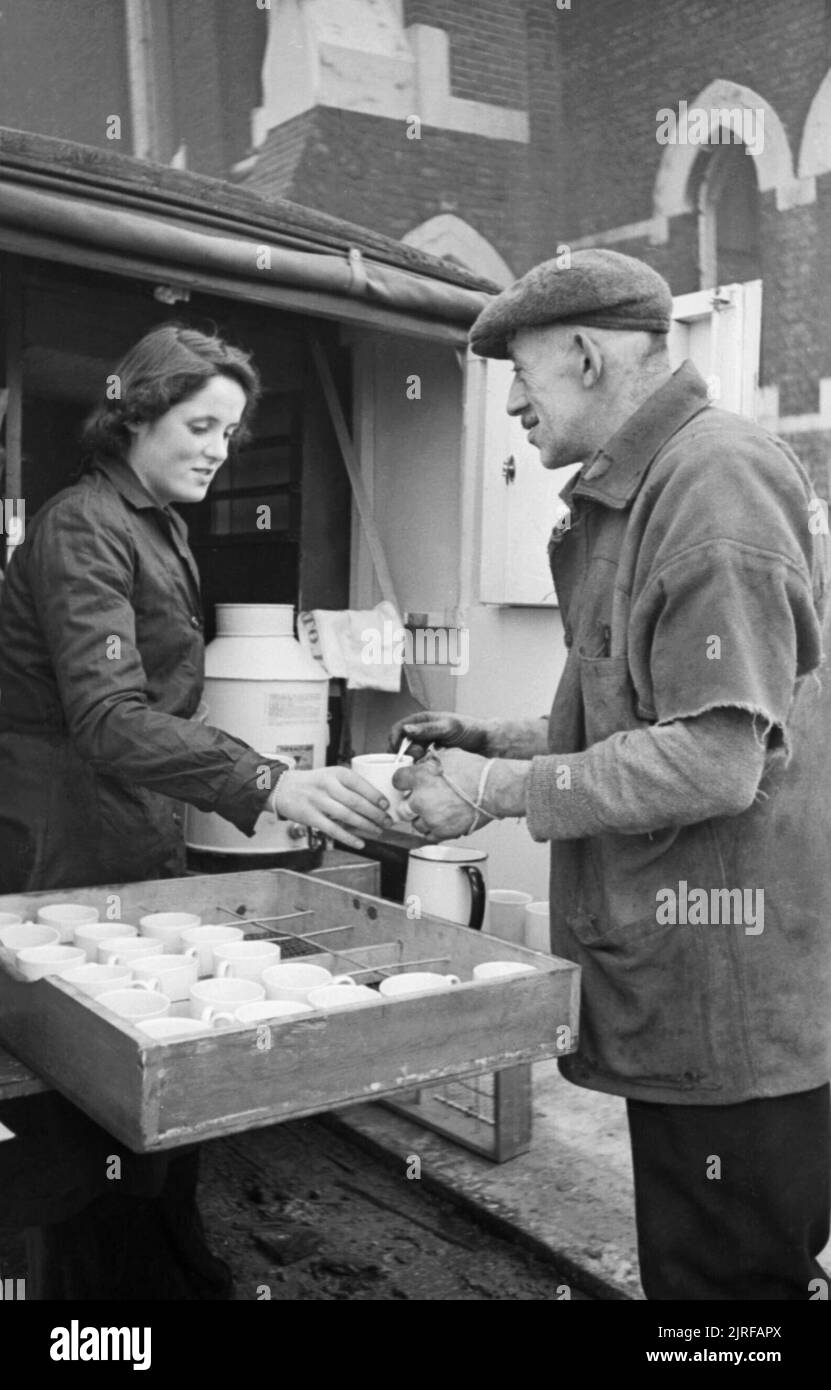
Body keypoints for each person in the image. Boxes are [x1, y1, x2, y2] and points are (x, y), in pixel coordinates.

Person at [390, 249, 831, 1300]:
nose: (513, 412)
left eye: (522, 380)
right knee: (728, 1276)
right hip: (686, 990)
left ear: (586, 357)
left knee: (725, 1293)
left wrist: (490, 795)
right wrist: (495, 739)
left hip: (729, 1007)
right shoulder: (643, 491)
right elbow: (635, 716)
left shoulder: (711, 481)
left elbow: (716, 760)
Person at [0, 322, 393, 1298]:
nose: (223, 447)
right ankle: (88, 1295)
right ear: (134, 416)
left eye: (233, 429)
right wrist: (266, 780)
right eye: (202, 423)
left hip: (127, 817)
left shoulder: (160, 523)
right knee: (77, 1073)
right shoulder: (83, 525)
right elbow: (106, 717)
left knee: (150, 1060)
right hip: (61, 830)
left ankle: (160, 1265)